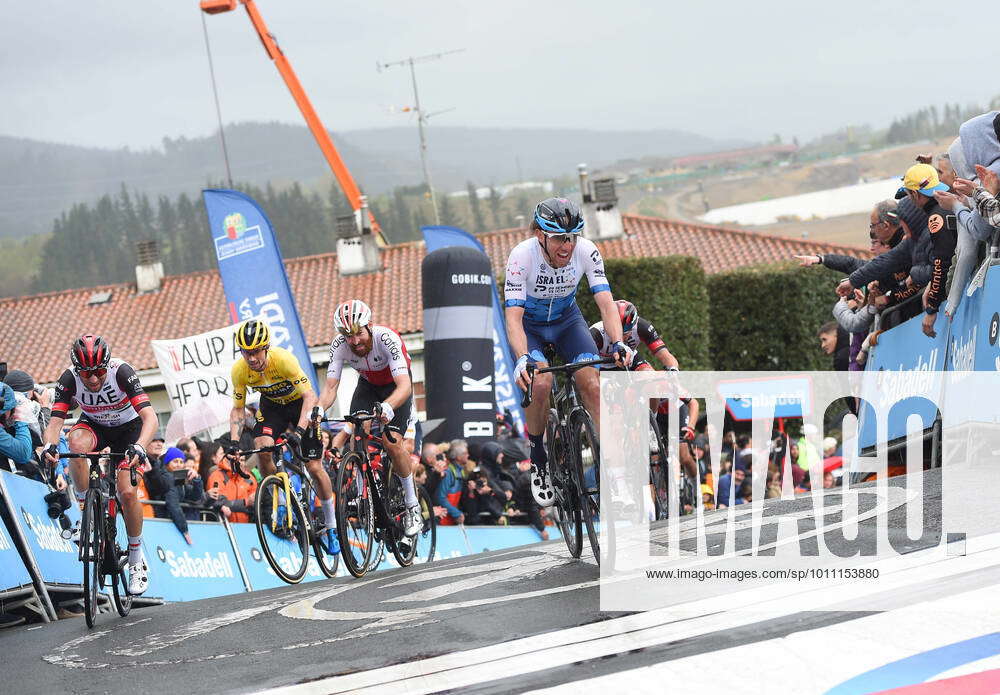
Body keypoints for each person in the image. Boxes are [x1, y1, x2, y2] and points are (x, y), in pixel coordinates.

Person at [504, 197, 630, 507]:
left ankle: (616, 473)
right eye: (560, 238)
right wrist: (522, 358)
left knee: (593, 386)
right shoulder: (522, 257)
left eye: (572, 237)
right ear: (540, 236)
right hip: (531, 329)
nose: (567, 246)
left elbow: (605, 303)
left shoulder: (587, 251)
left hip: (567, 323)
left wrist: (618, 343)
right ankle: (539, 458)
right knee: (541, 383)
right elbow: (513, 319)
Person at [41, 335, 158, 595]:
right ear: (76, 369)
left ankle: (137, 560)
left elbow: (150, 417)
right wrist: (49, 446)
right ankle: (86, 513)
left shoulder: (122, 372)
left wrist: (140, 445)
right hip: (96, 425)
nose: (93, 379)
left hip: (129, 429)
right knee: (75, 445)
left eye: (99, 371)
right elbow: (55, 423)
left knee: (127, 492)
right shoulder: (68, 379)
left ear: (107, 364)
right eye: (86, 373)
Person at [318, 300, 423, 537]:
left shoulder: (386, 339)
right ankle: (361, 492)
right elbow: (331, 387)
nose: (354, 341)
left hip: (396, 389)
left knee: (391, 442)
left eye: (358, 334)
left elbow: (405, 385)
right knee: (357, 433)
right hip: (367, 386)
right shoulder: (339, 345)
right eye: (348, 336)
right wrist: (315, 410)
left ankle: (411, 504)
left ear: (370, 326)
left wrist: (388, 406)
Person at [227, 319, 337, 535]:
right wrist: (233, 444)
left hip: (300, 406)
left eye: (256, 351)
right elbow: (238, 409)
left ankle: (331, 523)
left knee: (314, 467)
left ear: (266, 347)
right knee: (263, 447)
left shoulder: (284, 360)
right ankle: (280, 497)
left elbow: (309, 396)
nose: (251, 358)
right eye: (245, 352)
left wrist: (299, 431)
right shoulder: (240, 370)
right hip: (272, 407)